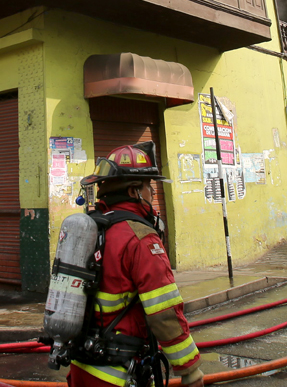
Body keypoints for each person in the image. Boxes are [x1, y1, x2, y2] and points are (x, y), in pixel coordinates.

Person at [67, 144, 203, 387]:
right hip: (117, 374)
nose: (152, 192)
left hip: (81, 368)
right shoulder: (140, 238)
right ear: (134, 192)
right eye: (148, 186)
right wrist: (190, 370)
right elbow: (164, 313)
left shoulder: (91, 228)